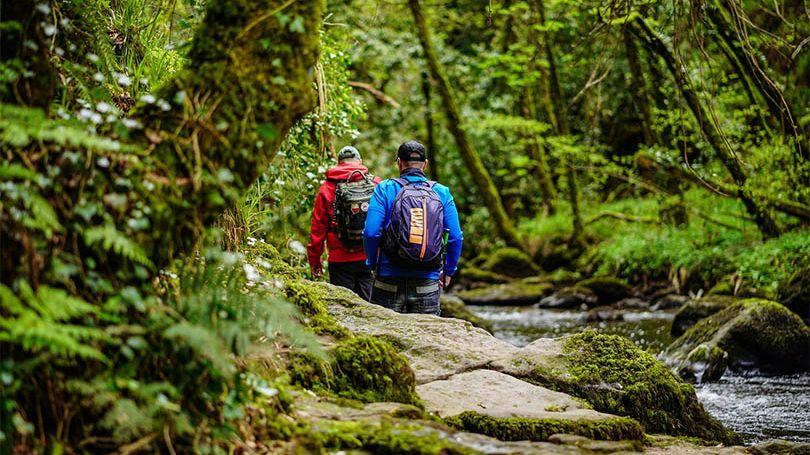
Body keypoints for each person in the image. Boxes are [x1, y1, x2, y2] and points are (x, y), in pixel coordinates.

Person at [363, 140, 463, 315]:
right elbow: (455, 237)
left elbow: (371, 233)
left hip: (388, 278)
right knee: (426, 332)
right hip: (427, 280)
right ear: (425, 164)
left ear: (399, 163)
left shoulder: (385, 189)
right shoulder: (442, 192)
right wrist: (448, 271)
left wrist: (372, 264)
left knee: (386, 331)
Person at [307, 146, 381, 301]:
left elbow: (318, 229)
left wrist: (315, 261)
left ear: (339, 163)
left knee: (344, 306)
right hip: (369, 256)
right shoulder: (375, 184)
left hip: (339, 260)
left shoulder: (327, 188)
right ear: (360, 161)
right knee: (371, 307)